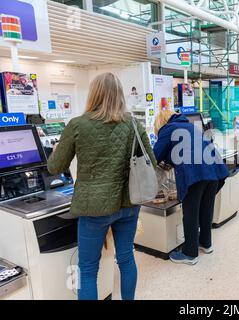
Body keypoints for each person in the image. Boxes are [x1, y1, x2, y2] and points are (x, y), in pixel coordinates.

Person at [47, 73, 156, 300]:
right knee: (126, 258)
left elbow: (54, 167)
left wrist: (57, 149)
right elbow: (151, 163)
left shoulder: (77, 125)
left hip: (93, 207)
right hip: (128, 203)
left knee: (88, 270)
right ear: (119, 95)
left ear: (93, 94)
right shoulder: (134, 124)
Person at [153, 109, 229, 265]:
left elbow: (155, 156)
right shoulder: (190, 126)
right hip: (213, 169)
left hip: (196, 173)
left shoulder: (168, 129)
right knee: (206, 209)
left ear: (160, 122)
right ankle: (206, 244)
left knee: (190, 212)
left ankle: (190, 253)